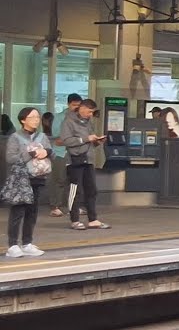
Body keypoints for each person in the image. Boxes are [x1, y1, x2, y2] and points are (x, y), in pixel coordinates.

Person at [3, 107, 52, 257]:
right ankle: (12, 245)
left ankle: (27, 243)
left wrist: (47, 152)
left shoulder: (42, 136)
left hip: (37, 177)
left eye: (38, 117)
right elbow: (10, 158)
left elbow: (51, 151)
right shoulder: (15, 137)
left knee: (32, 212)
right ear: (23, 120)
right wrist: (31, 153)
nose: (36, 120)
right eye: (32, 117)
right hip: (20, 179)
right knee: (18, 211)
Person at [60, 98, 109, 230]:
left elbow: (90, 140)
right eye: (89, 112)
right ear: (81, 108)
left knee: (91, 190)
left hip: (88, 159)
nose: (90, 115)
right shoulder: (68, 121)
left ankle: (93, 219)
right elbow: (66, 140)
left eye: (92, 112)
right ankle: (74, 220)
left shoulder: (88, 123)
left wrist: (97, 141)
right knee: (75, 191)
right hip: (75, 160)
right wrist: (86, 139)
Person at [41, 112, 67, 218]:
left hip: (65, 153)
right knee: (58, 179)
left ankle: (60, 204)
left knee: (65, 180)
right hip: (58, 154)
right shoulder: (59, 120)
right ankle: (55, 205)